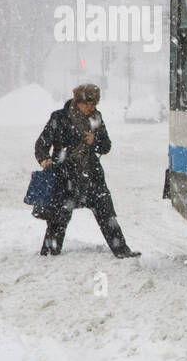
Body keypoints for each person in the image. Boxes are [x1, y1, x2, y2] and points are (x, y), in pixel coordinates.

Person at [34, 83, 140, 258]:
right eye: (86, 104)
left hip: (92, 176)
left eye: (93, 104)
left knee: (107, 215)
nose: (90, 108)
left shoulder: (96, 118)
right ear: (77, 102)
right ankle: (50, 252)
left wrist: (95, 140)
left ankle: (121, 250)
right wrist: (45, 160)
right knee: (58, 218)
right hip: (65, 176)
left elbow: (106, 146)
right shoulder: (60, 118)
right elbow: (42, 144)